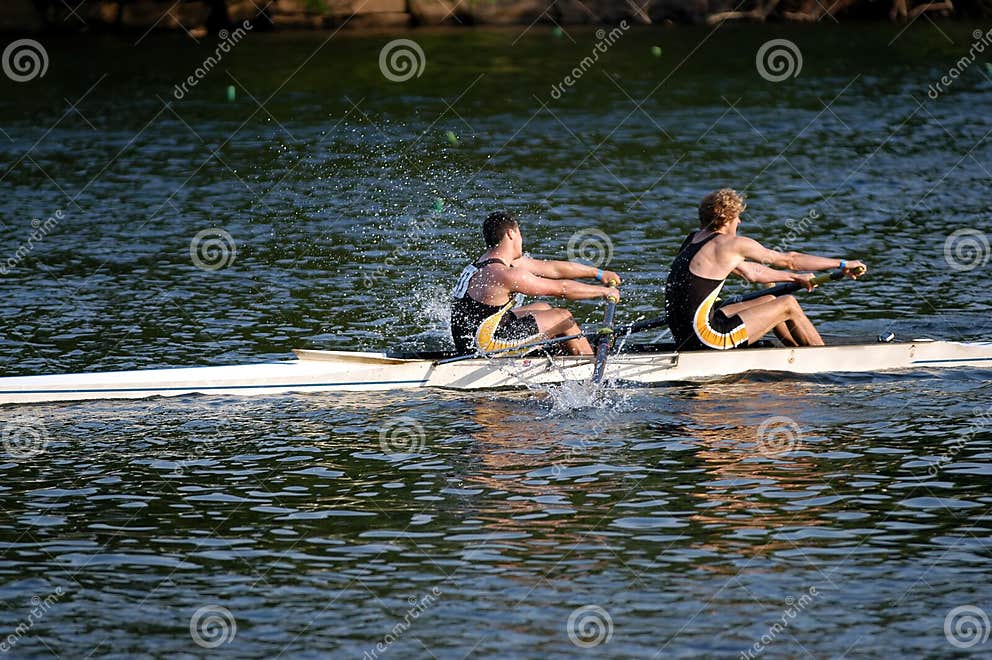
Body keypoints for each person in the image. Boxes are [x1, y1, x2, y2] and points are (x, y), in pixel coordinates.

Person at [665, 189, 866, 351]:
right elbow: (790, 260)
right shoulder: (731, 244)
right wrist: (842, 264)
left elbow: (751, 272)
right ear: (727, 218)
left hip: (684, 334)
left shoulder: (693, 239)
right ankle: (824, 361)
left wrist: (794, 278)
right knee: (788, 303)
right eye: (738, 217)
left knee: (770, 300)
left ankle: (796, 354)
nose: (740, 222)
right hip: (706, 337)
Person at [451, 212, 621, 356]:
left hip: (472, 335)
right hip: (482, 345)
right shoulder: (504, 274)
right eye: (520, 234)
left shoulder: (488, 263)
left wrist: (598, 273)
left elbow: (553, 269)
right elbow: (561, 289)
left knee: (543, 307)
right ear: (511, 233)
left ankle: (563, 353)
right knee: (563, 317)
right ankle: (588, 364)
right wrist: (605, 292)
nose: (521, 240)